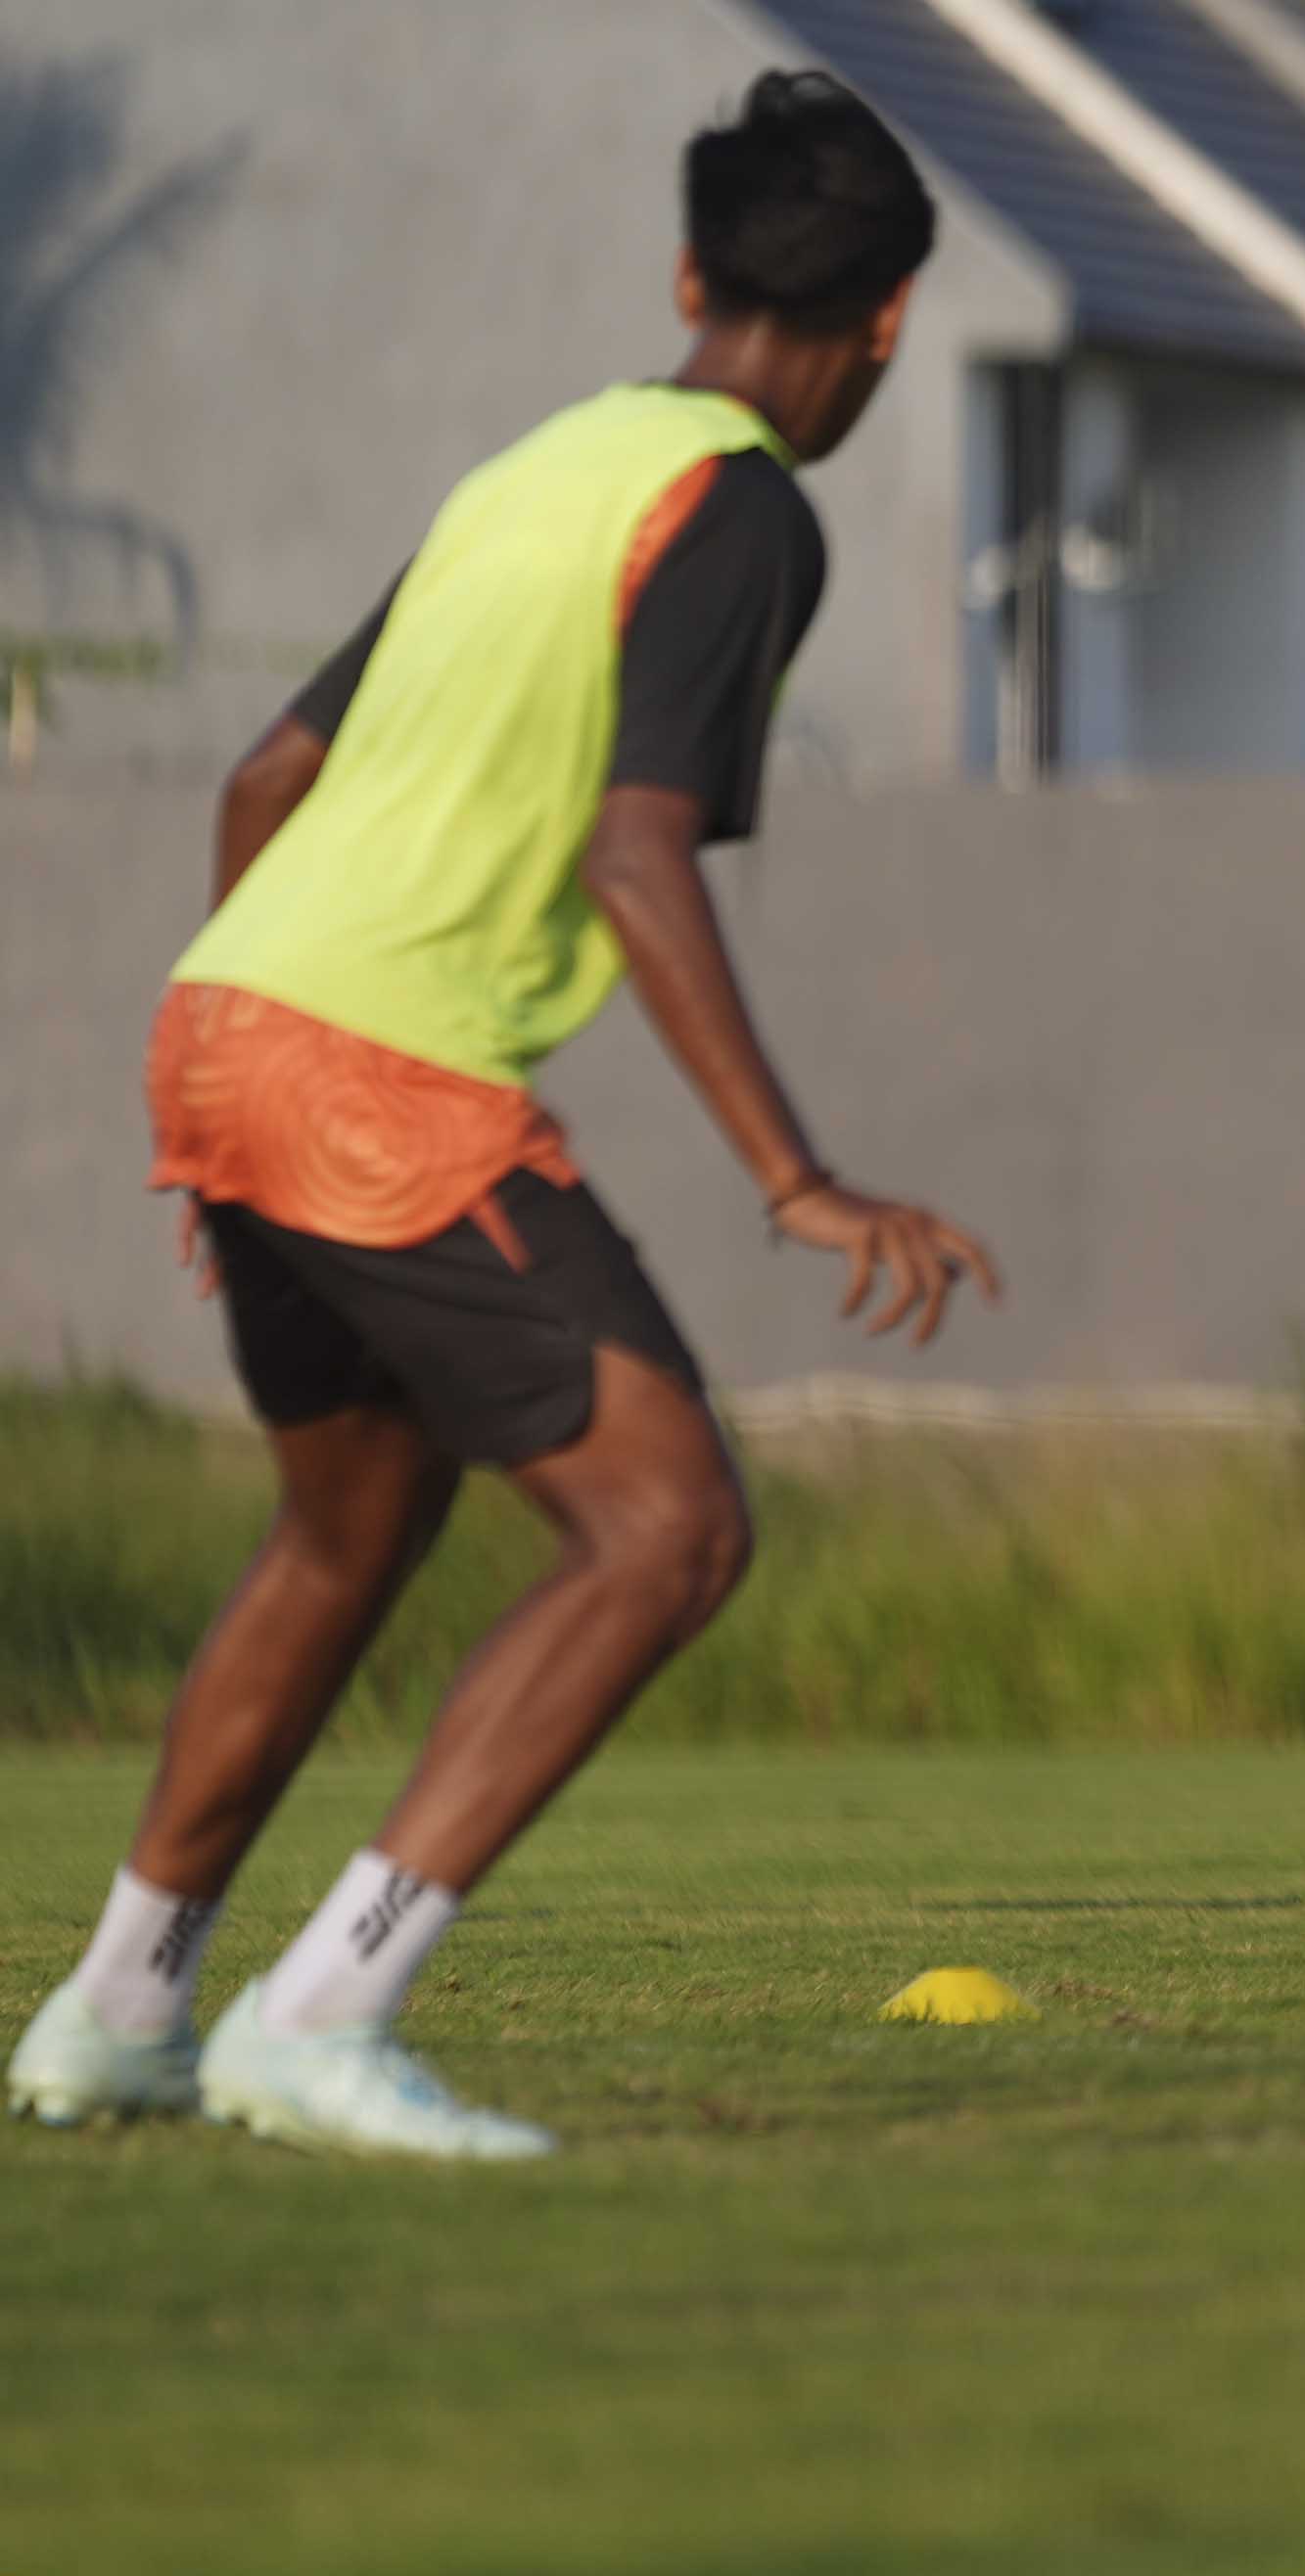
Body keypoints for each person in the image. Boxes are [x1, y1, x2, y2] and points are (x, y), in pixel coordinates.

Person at [5, 72, 995, 2157]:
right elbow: (643, 856)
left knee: (346, 1530)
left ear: (686, 275)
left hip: (237, 1027)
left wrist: (233, 1090)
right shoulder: (739, 506)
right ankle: (322, 2008)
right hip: (374, 1070)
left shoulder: (539, 466)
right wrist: (795, 1177)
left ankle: (116, 2007)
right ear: (890, 325)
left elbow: (264, 781)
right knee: (672, 1522)